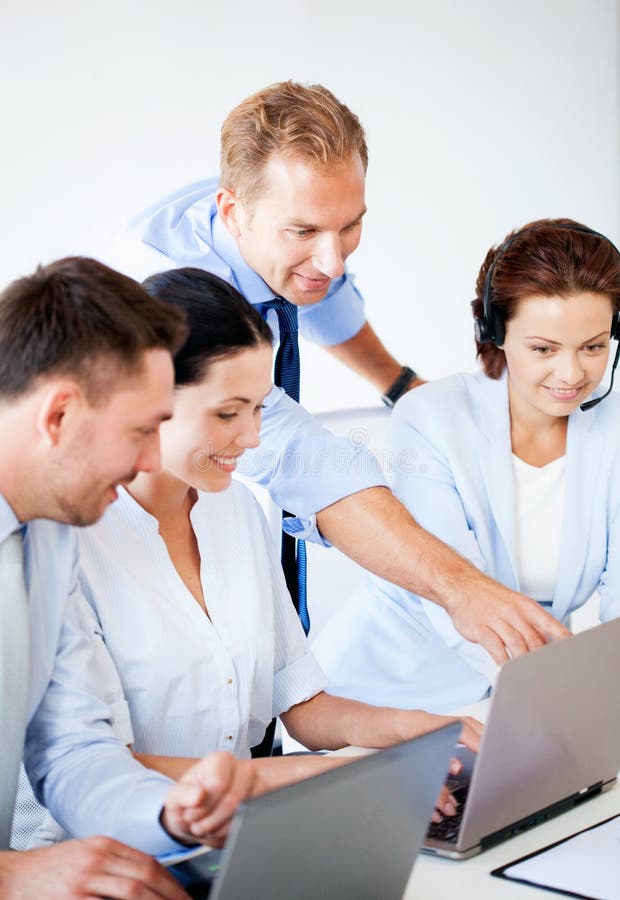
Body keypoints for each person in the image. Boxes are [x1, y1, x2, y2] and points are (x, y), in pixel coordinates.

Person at [17, 268, 481, 849]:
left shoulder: (234, 509)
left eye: (261, 409)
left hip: (231, 839)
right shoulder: (66, 535)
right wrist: (335, 780)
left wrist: (420, 732)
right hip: (104, 853)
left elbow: (300, 703)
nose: (254, 438)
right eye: (227, 412)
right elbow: (98, 767)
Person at [109, 80, 567, 665]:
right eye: (305, 232)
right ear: (232, 210)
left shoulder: (266, 210)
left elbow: (322, 290)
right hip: (143, 567)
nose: (334, 258)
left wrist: (400, 386)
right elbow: (301, 460)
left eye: (350, 225)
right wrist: (462, 590)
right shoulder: (171, 308)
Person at [0, 257, 288, 898]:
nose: (154, 460)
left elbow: (73, 750)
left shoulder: (49, 536)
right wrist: (9, 875)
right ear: (59, 416)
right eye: (142, 430)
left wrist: (167, 812)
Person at [312, 219, 620, 713]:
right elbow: (455, 598)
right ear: (495, 332)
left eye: (594, 346)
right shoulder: (433, 417)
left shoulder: (613, 431)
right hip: (382, 695)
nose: (572, 373)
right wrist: (556, 698)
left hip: (512, 697)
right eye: (543, 349)